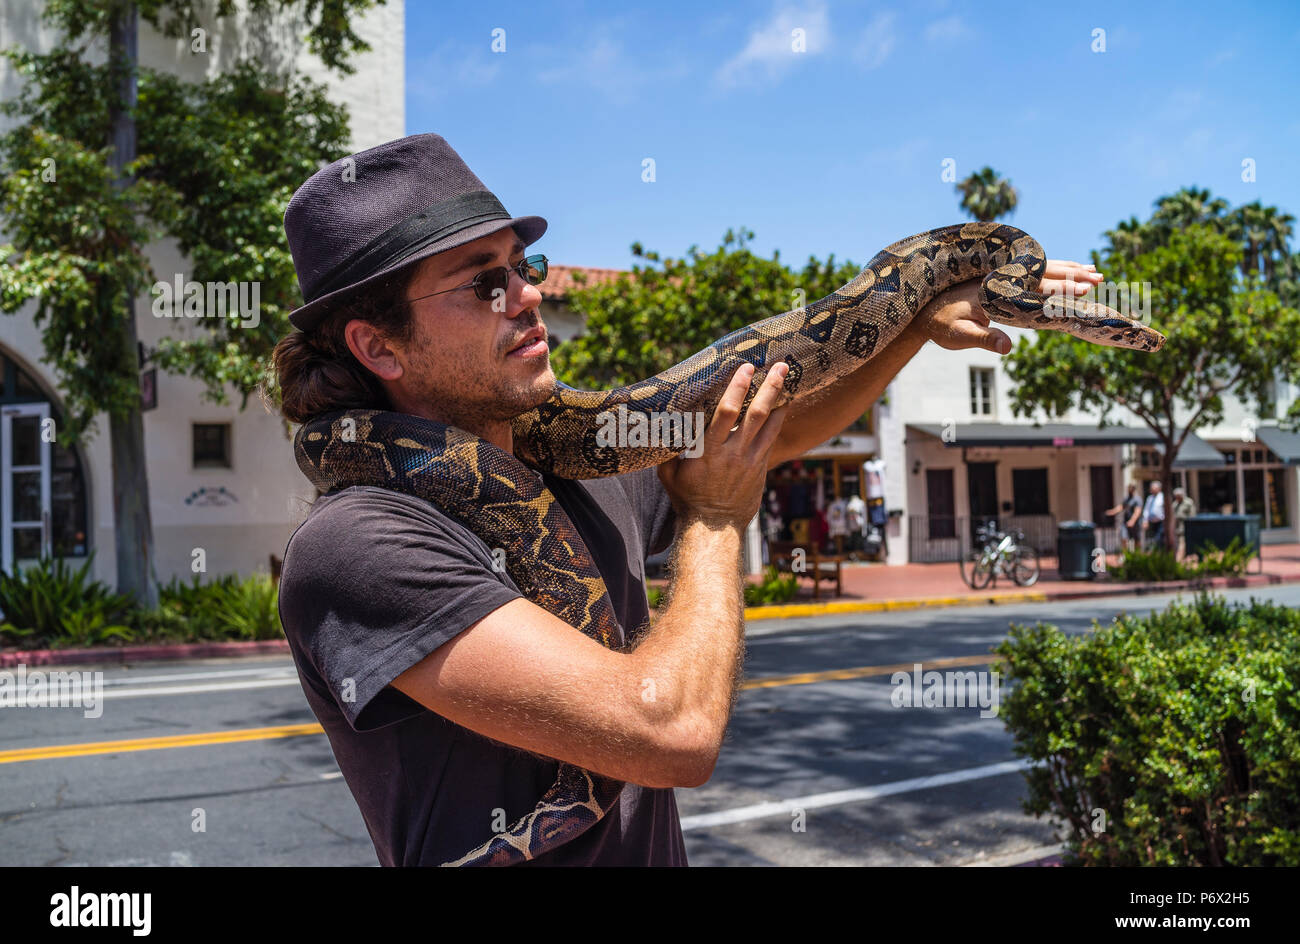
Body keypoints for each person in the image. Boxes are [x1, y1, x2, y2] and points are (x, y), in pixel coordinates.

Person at [272, 132, 1108, 866]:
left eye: (524, 268)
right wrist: (714, 519)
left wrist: (914, 323)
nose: (528, 297)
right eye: (483, 283)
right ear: (377, 345)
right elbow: (669, 732)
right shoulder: (361, 543)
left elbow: (761, 433)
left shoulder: (577, 460)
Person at [1105, 482, 1143, 550]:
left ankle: (1137, 556)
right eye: (1128, 488)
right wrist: (1112, 512)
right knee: (1124, 537)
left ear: (1134, 489)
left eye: (1130, 488)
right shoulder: (1127, 499)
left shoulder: (1137, 499)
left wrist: (1132, 521)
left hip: (1135, 524)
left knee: (1136, 540)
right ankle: (1125, 555)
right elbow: (1121, 507)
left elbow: (1137, 511)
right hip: (1125, 522)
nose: (1129, 490)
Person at [1172, 487, 1197, 559]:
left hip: (1186, 527)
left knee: (1183, 544)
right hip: (1177, 529)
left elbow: (1192, 516)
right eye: (1176, 497)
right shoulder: (1175, 504)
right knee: (1179, 544)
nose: (1177, 498)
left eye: (1178, 496)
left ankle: (1180, 559)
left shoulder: (1189, 503)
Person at [1141, 480, 1166, 550]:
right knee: (1152, 540)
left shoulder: (1163, 497)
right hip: (1151, 523)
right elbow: (1146, 510)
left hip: (1161, 522)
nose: (1152, 489)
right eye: (1151, 488)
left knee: (1159, 539)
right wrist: (1145, 520)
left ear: (1159, 488)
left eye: (1153, 488)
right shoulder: (1150, 498)